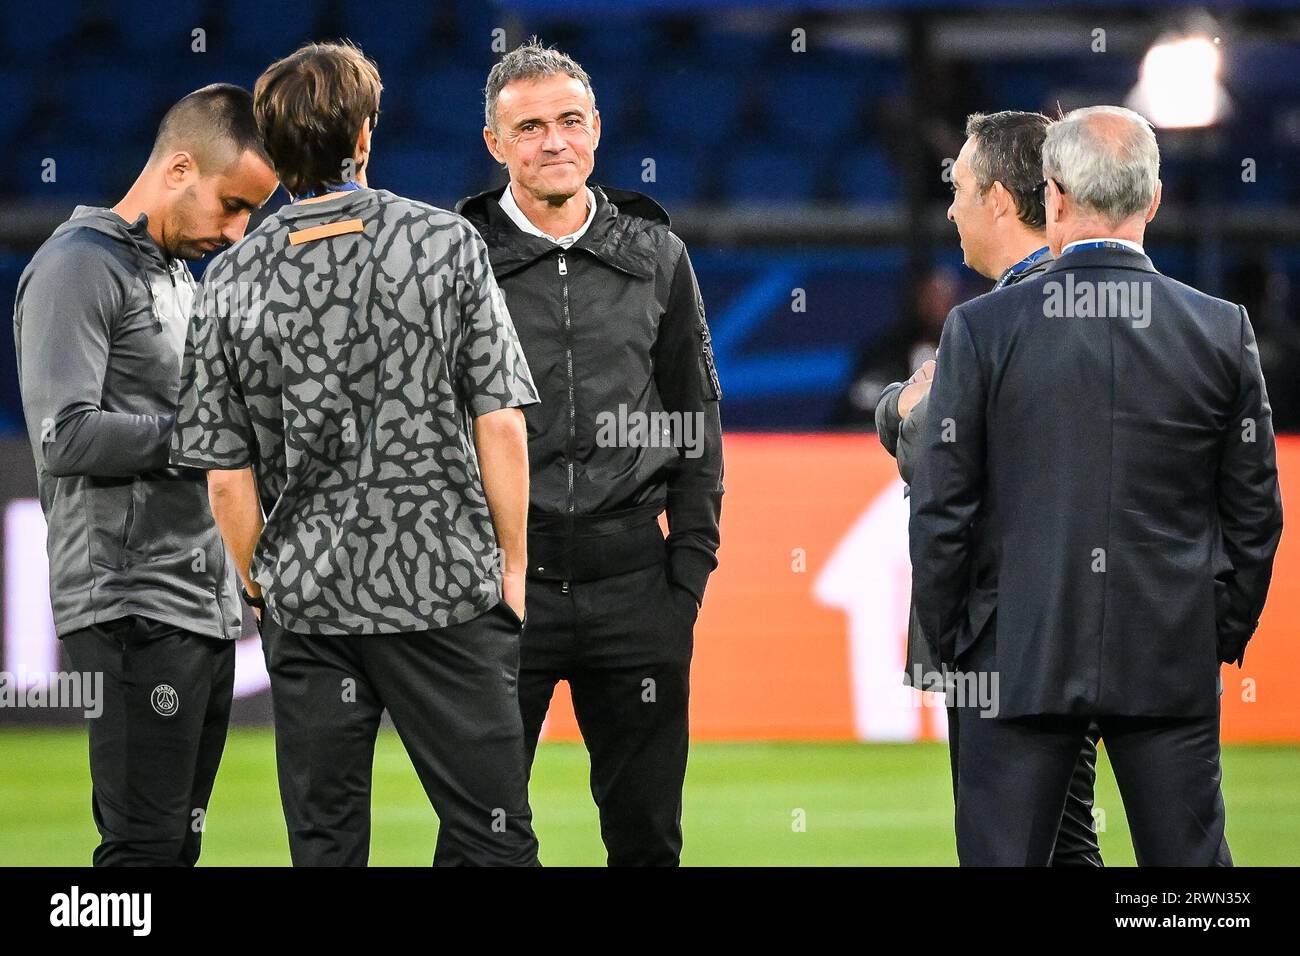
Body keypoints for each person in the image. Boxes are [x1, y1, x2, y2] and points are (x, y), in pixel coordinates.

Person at [169, 42, 541, 867]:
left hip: (311, 608)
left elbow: (225, 476)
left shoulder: (229, 281)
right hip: (444, 591)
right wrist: (512, 565)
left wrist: (265, 582)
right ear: (364, 137)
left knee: (327, 847)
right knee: (495, 842)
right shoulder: (445, 245)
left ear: (271, 148)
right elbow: (502, 422)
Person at [909, 105, 1283, 866]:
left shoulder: (982, 331)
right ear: (1152, 200)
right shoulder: (1220, 329)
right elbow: (1255, 512)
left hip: (1015, 657)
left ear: (1053, 195)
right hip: (1168, 653)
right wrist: (1215, 629)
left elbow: (943, 509)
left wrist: (955, 644)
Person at [458, 39, 724, 866]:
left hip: (634, 589)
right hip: (500, 591)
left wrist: (688, 569)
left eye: (570, 120)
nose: (553, 141)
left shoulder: (657, 255)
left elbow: (695, 417)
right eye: (529, 127)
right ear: (496, 145)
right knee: (479, 839)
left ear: (598, 129)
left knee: (647, 837)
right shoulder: (453, 256)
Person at [13, 84, 279, 865]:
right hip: (130, 600)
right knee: (144, 850)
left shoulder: (175, 275)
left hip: (197, 599)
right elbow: (65, 436)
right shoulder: (76, 267)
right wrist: (217, 432)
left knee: (170, 849)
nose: (235, 232)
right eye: (231, 206)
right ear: (180, 169)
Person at [876, 111, 1103, 866]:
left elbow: (934, 457)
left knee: (1004, 847)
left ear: (1002, 200)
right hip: (1087, 623)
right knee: (1068, 841)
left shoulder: (990, 322)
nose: (950, 207)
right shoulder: (1095, 302)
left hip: (1002, 634)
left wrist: (906, 413)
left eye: (962, 188)